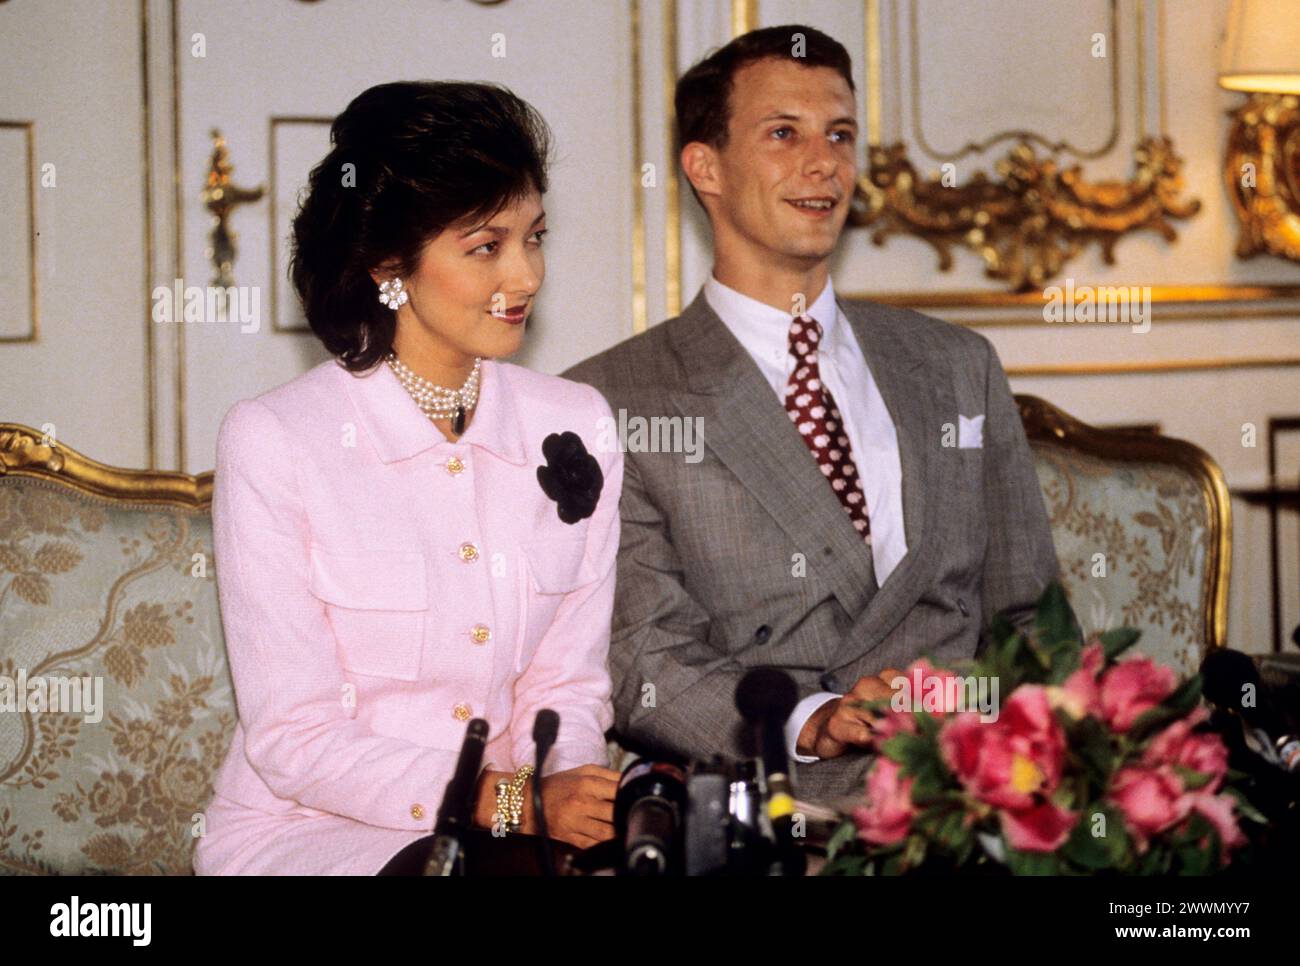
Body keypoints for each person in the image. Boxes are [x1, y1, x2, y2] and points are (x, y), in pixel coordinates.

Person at [563, 26, 1059, 803]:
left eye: (841, 135)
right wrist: (813, 720)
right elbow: (643, 657)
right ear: (705, 167)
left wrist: (1023, 751)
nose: (823, 163)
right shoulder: (614, 400)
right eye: (783, 134)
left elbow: (1032, 616)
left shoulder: (959, 366)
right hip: (779, 801)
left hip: (977, 796)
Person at [194, 81, 624, 875]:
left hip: (506, 843)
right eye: (486, 246)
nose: (526, 275)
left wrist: (563, 804)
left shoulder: (580, 424)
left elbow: (568, 682)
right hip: (311, 835)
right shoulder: (278, 439)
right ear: (390, 267)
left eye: (535, 236)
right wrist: (511, 806)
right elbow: (296, 737)